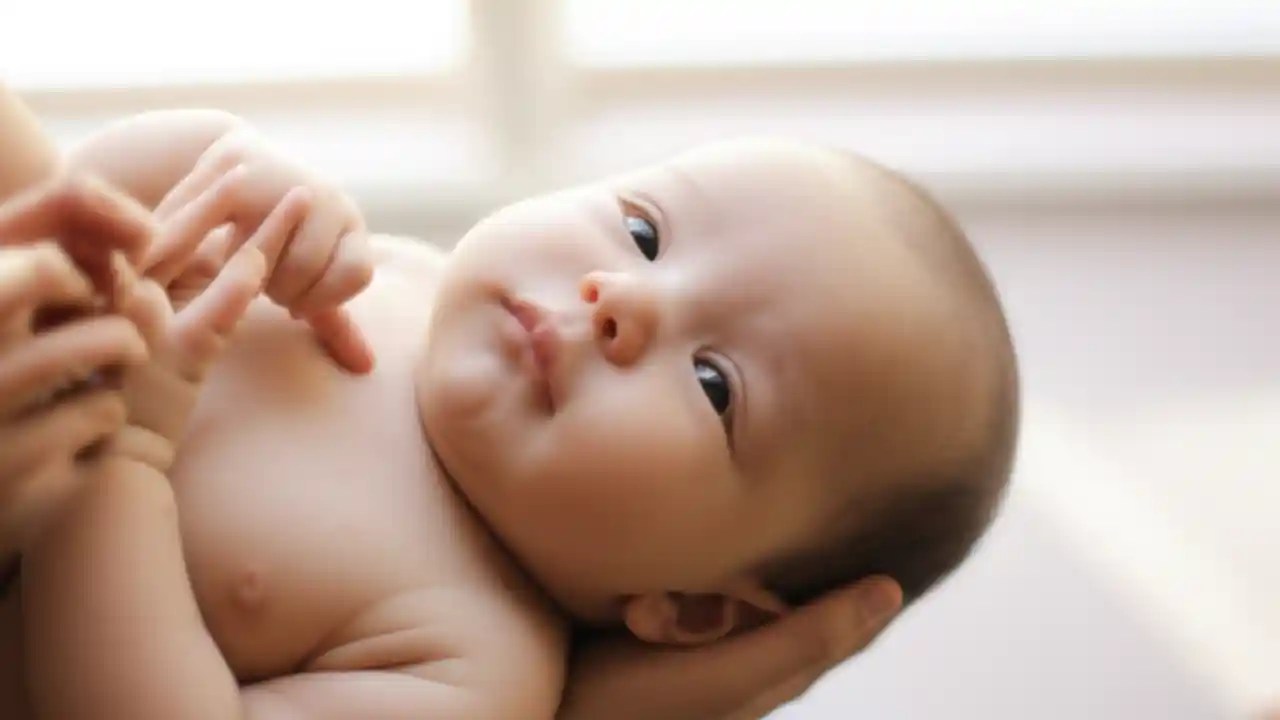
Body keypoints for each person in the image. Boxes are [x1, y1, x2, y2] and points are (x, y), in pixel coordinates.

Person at [2, 100, 1018, 719]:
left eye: (715, 385)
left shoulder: (472, 665)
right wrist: (211, 163)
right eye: (644, 232)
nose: (620, 301)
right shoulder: (385, 280)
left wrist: (123, 464)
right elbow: (65, 211)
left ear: (698, 609)